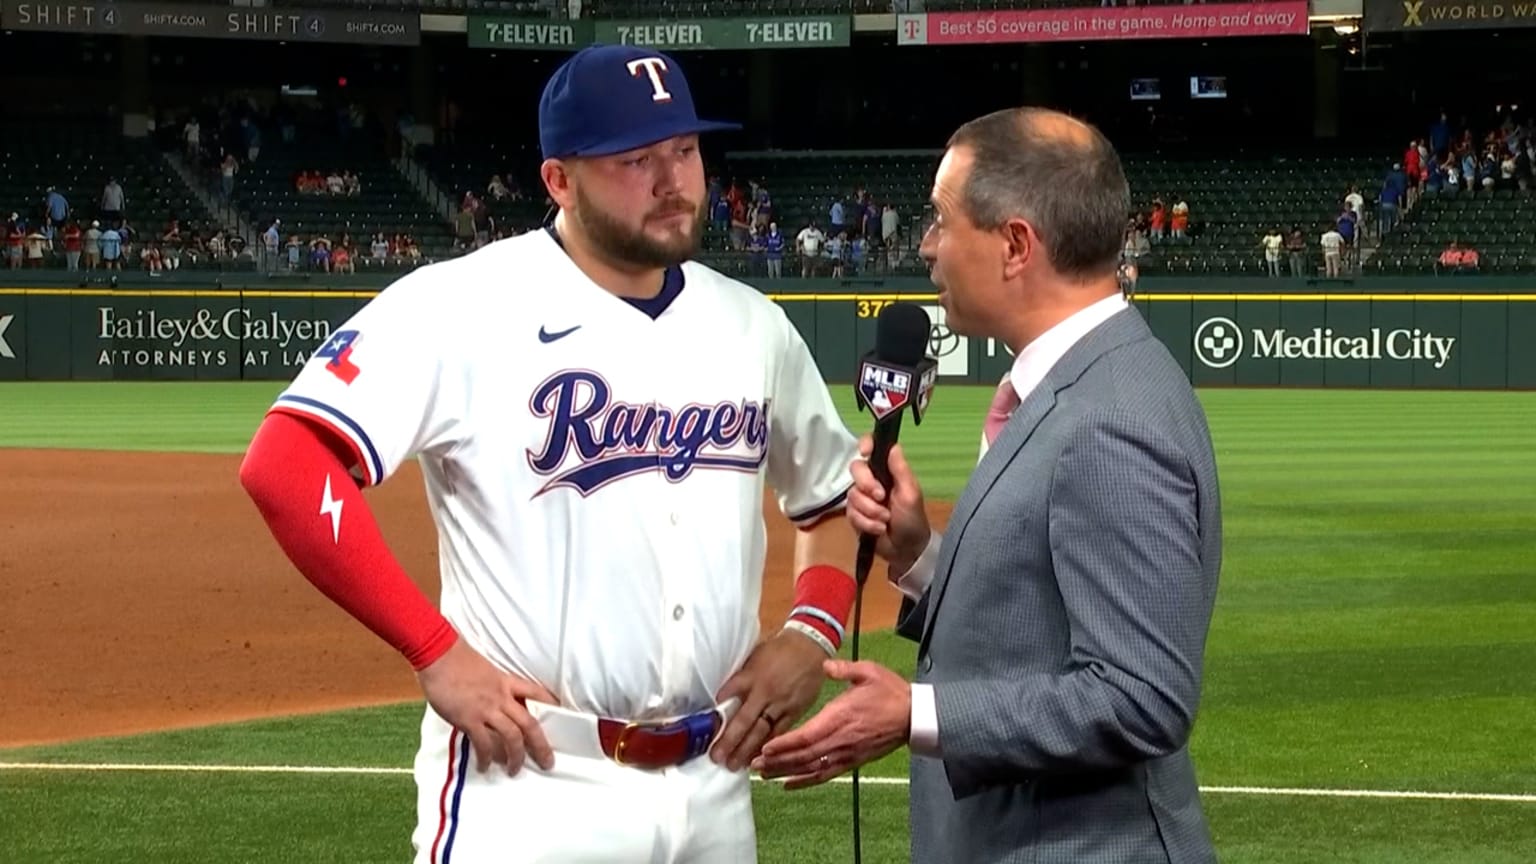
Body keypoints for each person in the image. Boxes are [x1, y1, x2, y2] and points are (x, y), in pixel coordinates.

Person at [238, 44, 862, 863]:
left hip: (714, 786)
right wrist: (434, 650)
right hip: (530, 782)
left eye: (684, 149)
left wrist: (812, 633)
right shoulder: (459, 304)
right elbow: (286, 464)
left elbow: (834, 499)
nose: (673, 179)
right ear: (558, 181)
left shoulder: (753, 325)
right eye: (635, 159)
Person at [754, 107, 1224, 863]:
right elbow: (1030, 618)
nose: (928, 246)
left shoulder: (1112, 418)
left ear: (1014, 245)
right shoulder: (1071, 384)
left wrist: (916, 713)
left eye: (941, 221)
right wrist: (918, 556)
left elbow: (1142, 698)